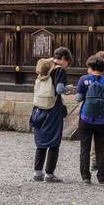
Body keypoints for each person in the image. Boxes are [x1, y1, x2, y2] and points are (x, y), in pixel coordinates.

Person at [30, 47, 72, 182]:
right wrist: (68, 89)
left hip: (38, 108)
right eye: (68, 61)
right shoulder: (59, 69)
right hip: (53, 109)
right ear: (64, 58)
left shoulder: (45, 67)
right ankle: (49, 174)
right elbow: (59, 89)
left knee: (41, 141)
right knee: (54, 141)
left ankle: (37, 172)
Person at [74, 55, 104, 185]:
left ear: (91, 67)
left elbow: (78, 98)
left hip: (85, 119)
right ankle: (102, 177)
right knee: (100, 148)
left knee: (84, 148)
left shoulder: (83, 79)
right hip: (101, 119)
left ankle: (86, 176)